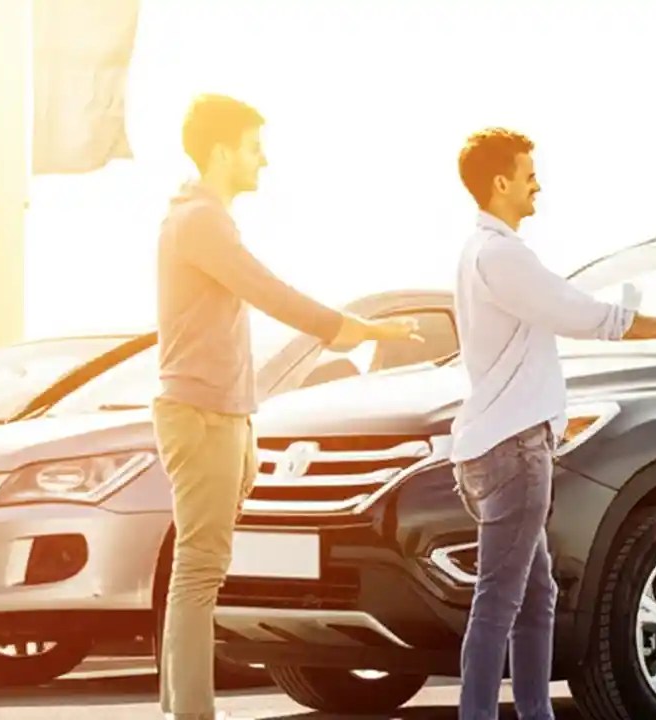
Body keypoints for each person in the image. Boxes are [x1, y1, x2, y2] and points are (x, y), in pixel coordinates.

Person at [154, 93, 420, 719]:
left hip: (225, 414)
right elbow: (268, 290)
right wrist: (360, 329)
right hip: (202, 416)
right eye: (253, 147)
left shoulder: (201, 217)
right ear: (221, 151)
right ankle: (190, 713)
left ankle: (178, 707)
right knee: (198, 571)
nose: (263, 161)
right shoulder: (199, 221)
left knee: (202, 569)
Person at [451, 127, 656, 720]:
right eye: (527, 174)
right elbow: (588, 315)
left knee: (536, 594)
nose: (536, 183)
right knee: (500, 598)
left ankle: (534, 711)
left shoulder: (478, 253)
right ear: (500, 182)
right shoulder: (501, 254)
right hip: (513, 452)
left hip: (498, 447)